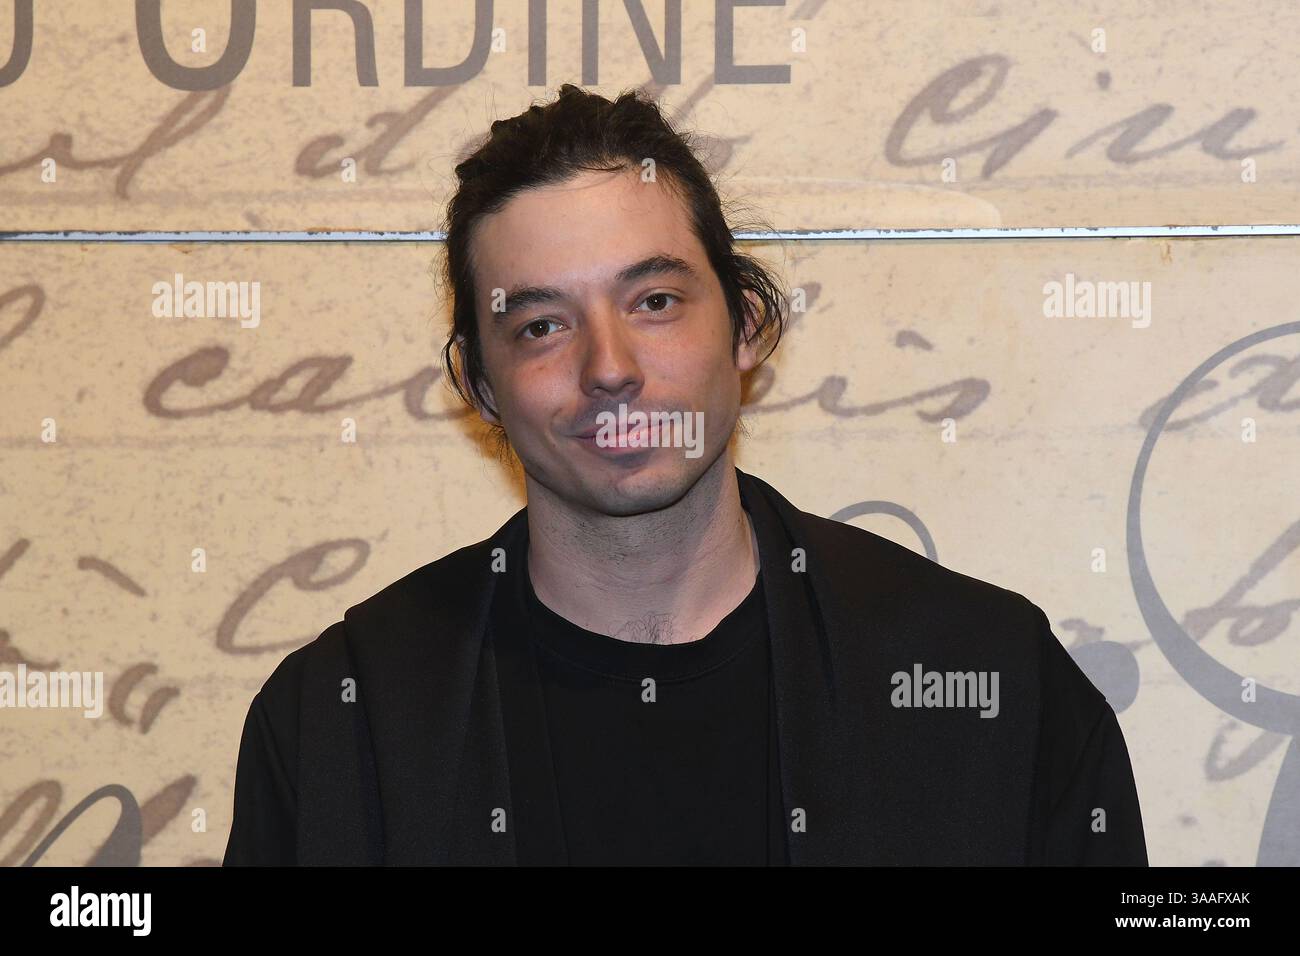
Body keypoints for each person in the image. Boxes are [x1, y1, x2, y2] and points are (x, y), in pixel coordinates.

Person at [223, 84, 1147, 866]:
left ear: (746, 326)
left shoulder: (986, 680)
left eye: (655, 302)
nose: (610, 366)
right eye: (541, 324)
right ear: (481, 386)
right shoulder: (342, 723)